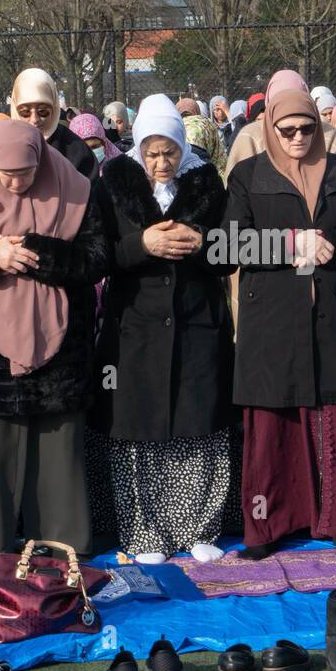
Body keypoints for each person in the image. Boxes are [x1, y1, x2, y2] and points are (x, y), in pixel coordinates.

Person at [0, 119, 109, 555]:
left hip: (61, 350)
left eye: (25, 173)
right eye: (6, 174)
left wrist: (34, 252)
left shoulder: (75, 190)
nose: (15, 182)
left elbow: (96, 259)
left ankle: (64, 547)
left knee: (58, 453)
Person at [226, 85, 336, 558]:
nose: (297, 137)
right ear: (269, 129)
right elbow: (226, 245)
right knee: (273, 423)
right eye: (287, 129)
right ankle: (267, 527)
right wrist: (292, 244)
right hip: (273, 320)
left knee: (333, 417)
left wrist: (332, 242)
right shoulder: (248, 176)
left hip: (333, 316)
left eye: (307, 128)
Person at [89, 94, 236, 564]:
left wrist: (202, 243)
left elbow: (234, 249)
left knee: (199, 425)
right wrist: (142, 243)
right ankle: (145, 534)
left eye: (169, 150)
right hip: (136, 328)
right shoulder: (115, 182)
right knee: (140, 429)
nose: (161, 162)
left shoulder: (206, 182)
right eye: (152, 152)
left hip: (196, 325)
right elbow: (100, 252)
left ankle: (198, 527)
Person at [11, 68, 97, 180]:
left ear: (54, 108)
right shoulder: (4, 146)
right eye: (25, 112)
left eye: (43, 111)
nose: (35, 119)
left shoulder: (76, 150)